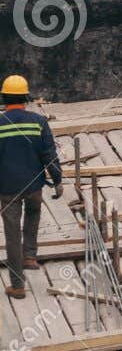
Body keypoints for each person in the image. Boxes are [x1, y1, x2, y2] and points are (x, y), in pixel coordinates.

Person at [0, 76, 61, 300]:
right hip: (34, 185)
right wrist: (58, 179)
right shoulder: (38, 122)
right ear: (26, 98)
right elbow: (49, 155)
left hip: (7, 188)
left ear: (4, 97)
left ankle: (17, 286)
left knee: (12, 234)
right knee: (33, 213)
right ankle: (30, 257)